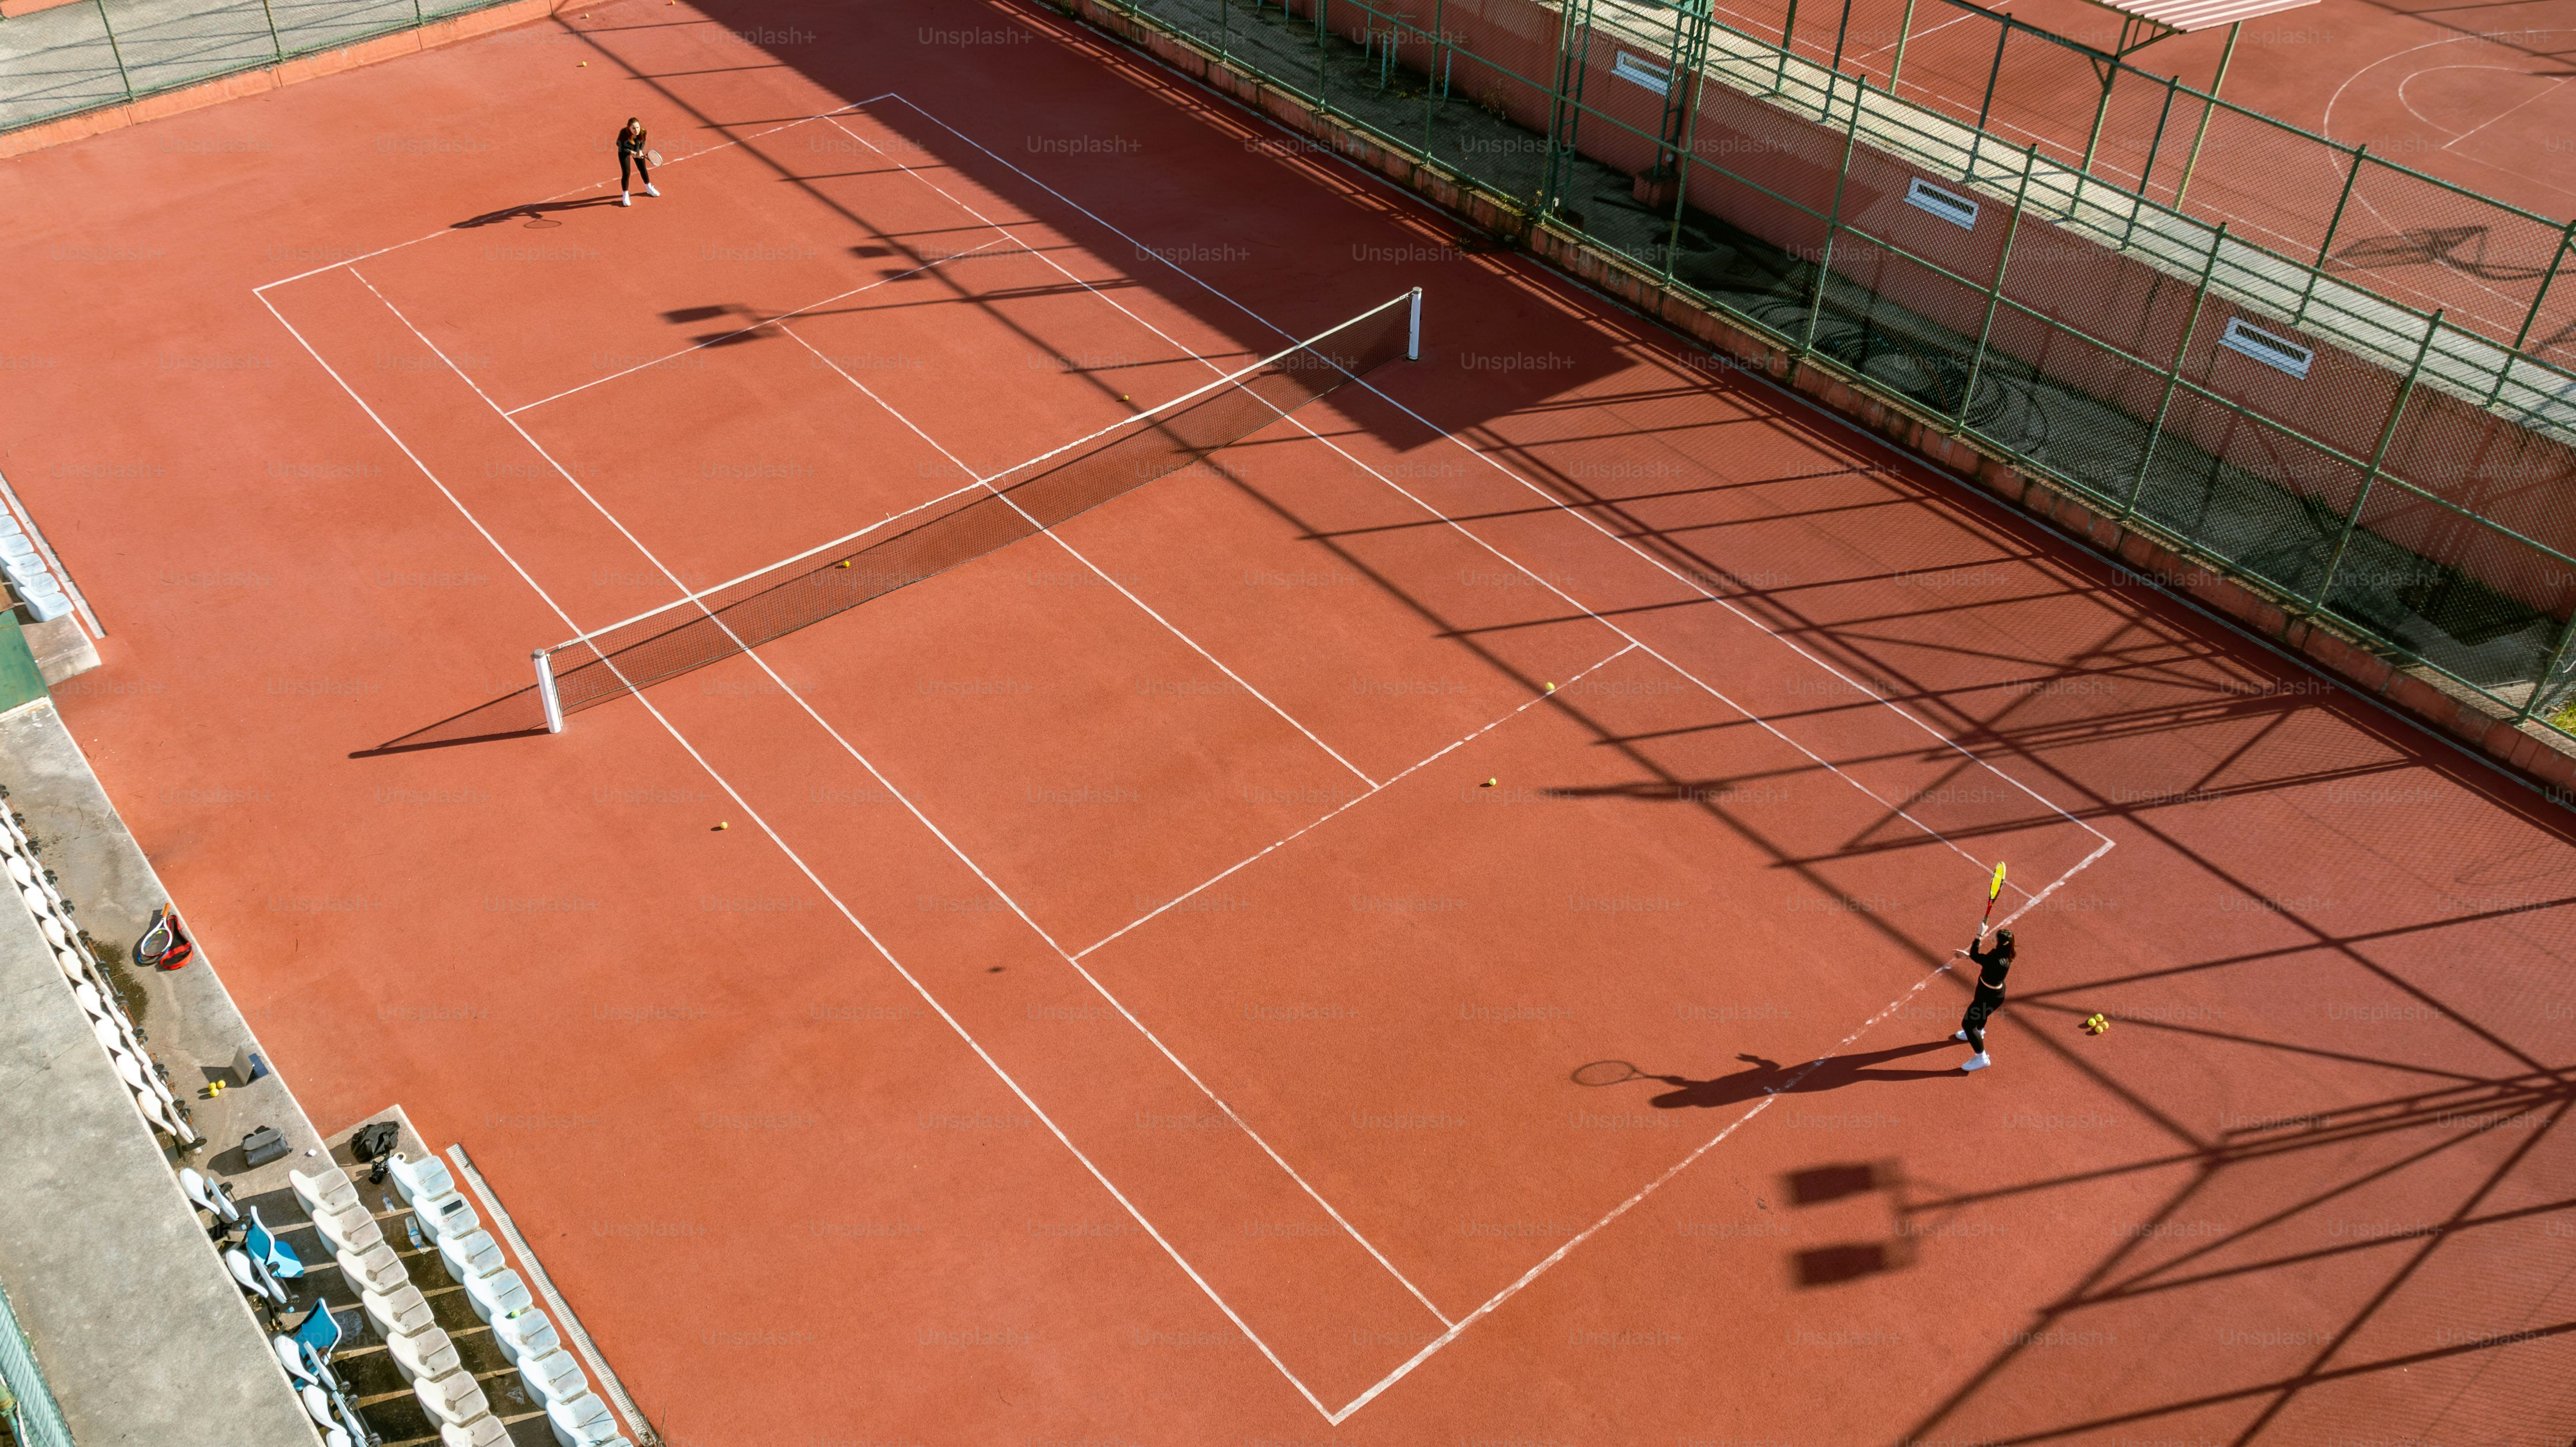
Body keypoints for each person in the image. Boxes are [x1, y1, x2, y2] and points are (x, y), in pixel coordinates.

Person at [1953, 927, 2014, 1073]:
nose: (1992, 938)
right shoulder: (2004, 953)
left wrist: (1979, 934)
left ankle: (1981, 1058)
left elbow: (1977, 956)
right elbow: (1982, 960)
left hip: (1989, 996)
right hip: (1988, 990)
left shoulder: (1997, 960)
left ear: (2000, 943)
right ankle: (1979, 1031)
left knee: (1967, 1024)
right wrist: (1967, 956)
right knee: (1981, 1015)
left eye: (1994, 937)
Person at [616, 118, 659, 207]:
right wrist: (631, 153)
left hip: (636, 148)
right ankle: (625, 195)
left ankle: (649, 188)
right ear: (629, 129)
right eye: (634, 128)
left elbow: (643, 141)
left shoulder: (643, 132)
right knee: (626, 173)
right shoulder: (624, 133)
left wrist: (640, 150)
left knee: (643, 169)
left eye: (638, 128)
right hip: (624, 151)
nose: (637, 130)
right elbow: (619, 144)